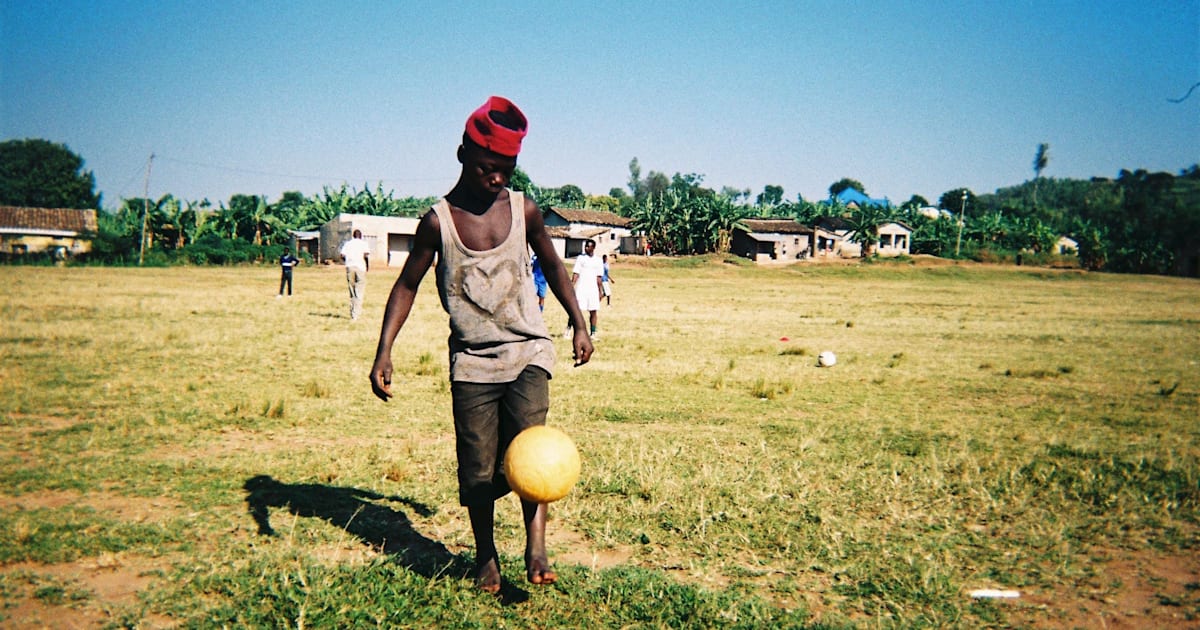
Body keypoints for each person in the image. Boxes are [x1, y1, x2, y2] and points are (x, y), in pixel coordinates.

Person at [368, 96, 594, 594]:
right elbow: (405, 285)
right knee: (478, 470)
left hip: (529, 351)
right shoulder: (438, 223)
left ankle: (536, 545)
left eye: (508, 169)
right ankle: (486, 556)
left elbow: (554, 267)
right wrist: (384, 350)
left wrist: (578, 322)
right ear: (463, 155)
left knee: (532, 449)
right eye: (490, 169)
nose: (499, 180)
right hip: (472, 362)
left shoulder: (524, 209)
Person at [566, 240, 603, 339]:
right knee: (576, 310)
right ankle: (568, 330)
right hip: (581, 288)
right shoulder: (581, 258)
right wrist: (572, 286)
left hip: (593, 289)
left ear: (593, 248)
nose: (586, 248)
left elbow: (599, 278)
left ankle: (593, 333)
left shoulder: (598, 261)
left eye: (588, 246)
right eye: (585, 246)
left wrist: (600, 291)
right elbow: (576, 273)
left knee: (593, 311)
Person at [339, 229, 370, 320]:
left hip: (350, 267)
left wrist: (347, 262)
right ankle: (356, 314)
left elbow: (342, 255)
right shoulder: (364, 244)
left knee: (352, 291)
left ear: (353, 235)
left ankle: (353, 313)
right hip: (360, 267)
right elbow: (365, 256)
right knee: (359, 290)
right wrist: (367, 266)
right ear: (360, 236)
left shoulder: (348, 244)